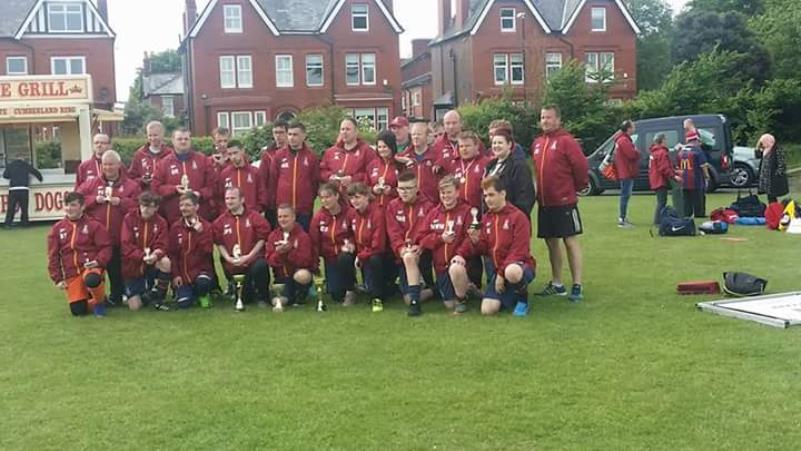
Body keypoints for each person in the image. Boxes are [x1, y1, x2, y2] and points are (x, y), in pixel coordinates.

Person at [531, 105, 588, 302]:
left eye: (548, 117)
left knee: (570, 241)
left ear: (558, 120)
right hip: (545, 203)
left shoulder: (567, 141)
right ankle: (557, 283)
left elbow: (581, 167)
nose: (545, 120)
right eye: (542, 117)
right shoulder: (538, 143)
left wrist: (578, 189)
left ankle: (577, 285)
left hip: (564, 201)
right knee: (551, 242)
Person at [460, 176, 536, 316]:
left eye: (491, 194)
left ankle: (523, 300)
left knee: (512, 271)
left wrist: (501, 274)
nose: (488, 199)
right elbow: (483, 248)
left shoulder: (518, 217)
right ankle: (510, 294)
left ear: (503, 194)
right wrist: (475, 242)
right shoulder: (486, 218)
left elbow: (519, 251)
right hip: (498, 272)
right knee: (488, 310)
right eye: (485, 196)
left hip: (519, 267)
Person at [77, 150, 140, 307]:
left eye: (111, 164)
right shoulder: (91, 184)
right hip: (95, 239)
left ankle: (117, 296)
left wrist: (120, 202)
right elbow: (78, 200)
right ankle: (91, 297)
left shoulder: (131, 186)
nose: (108, 167)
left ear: (119, 165)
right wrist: (94, 200)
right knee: (94, 268)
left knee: (117, 269)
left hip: (119, 235)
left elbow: (138, 207)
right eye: (105, 164)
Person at [47, 192, 112, 317]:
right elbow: (53, 255)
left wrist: (98, 261)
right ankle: (94, 296)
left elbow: (106, 247)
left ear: (82, 207)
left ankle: (99, 302)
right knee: (78, 311)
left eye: (73, 205)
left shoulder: (94, 225)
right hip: (72, 273)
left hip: (90, 268)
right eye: (66, 205)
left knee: (92, 279)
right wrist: (57, 279)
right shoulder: (57, 228)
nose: (68, 208)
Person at [416, 176, 473, 316]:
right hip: (441, 268)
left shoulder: (467, 211)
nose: (445, 196)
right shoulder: (434, 213)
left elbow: (471, 238)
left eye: (449, 192)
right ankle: (467, 290)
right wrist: (440, 238)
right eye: (442, 193)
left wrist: (460, 253)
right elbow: (421, 238)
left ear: (457, 192)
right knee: (449, 305)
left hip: (460, 264)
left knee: (456, 269)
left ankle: (462, 299)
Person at [213, 186, 271, 309]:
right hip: (234, 265)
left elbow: (262, 239)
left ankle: (263, 297)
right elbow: (219, 243)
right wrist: (228, 258)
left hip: (252, 261)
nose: (229, 201)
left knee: (261, 265)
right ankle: (242, 291)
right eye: (227, 198)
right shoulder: (220, 221)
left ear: (242, 200)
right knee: (245, 299)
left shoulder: (254, 217)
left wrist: (249, 257)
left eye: (233, 198)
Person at [386, 171, 436, 308]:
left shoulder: (428, 206)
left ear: (416, 188)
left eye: (408, 188)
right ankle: (434, 290)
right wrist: (401, 249)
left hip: (422, 254)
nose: (404, 192)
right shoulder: (392, 206)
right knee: (407, 299)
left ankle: (430, 289)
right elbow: (393, 233)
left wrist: (421, 246)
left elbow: (430, 231)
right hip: (401, 254)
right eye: (401, 189)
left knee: (412, 257)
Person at [120, 191, 171, 311]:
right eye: (143, 205)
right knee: (135, 307)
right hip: (133, 265)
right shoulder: (129, 219)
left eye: (149, 206)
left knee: (165, 262)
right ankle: (148, 294)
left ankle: (159, 298)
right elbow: (126, 245)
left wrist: (155, 255)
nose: (145, 209)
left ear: (156, 208)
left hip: (152, 261)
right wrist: (142, 256)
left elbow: (162, 244)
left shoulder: (161, 222)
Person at [152, 128, 216, 224]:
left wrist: (199, 194)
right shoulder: (163, 164)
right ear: (173, 141)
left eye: (186, 139)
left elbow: (213, 186)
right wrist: (174, 189)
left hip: (201, 215)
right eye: (179, 139)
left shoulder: (203, 160)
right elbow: (155, 188)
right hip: (174, 218)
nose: (183, 142)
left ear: (190, 141)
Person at [309, 182, 356, 306]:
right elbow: (314, 242)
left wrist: (352, 244)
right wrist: (315, 266)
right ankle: (349, 285)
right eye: (322, 198)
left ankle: (350, 291)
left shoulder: (350, 213)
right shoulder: (318, 218)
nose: (325, 201)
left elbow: (358, 234)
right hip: (330, 259)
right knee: (336, 295)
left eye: (328, 197)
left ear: (336, 196)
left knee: (345, 259)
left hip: (348, 255)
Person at [268, 121, 320, 231]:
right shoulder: (279, 156)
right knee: (284, 240)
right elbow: (273, 181)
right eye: (290, 134)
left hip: (304, 210)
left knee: (302, 240)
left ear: (304, 136)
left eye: (295, 135)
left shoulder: (311, 157)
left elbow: (315, 182)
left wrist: (308, 199)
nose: (292, 138)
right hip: (284, 209)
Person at [346, 183, 389, 312]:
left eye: (357, 197)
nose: (354, 201)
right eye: (352, 198)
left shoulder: (377, 213)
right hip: (363, 253)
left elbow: (378, 246)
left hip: (379, 256)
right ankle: (351, 290)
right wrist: (350, 244)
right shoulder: (353, 214)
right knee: (344, 257)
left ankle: (377, 297)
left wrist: (360, 256)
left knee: (375, 259)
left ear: (366, 196)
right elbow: (350, 234)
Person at [168, 192, 215, 308]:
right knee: (184, 304)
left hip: (201, 272)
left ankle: (203, 294)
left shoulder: (206, 226)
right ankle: (188, 294)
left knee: (202, 283)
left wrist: (200, 234)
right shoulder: (175, 227)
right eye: (182, 205)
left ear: (196, 207)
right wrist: (176, 275)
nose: (184, 208)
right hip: (183, 275)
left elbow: (208, 250)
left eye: (188, 205)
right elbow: (172, 254)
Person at [265, 204, 316, 310]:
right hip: (281, 279)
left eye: (286, 216)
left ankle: (301, 295)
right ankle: (286, 297)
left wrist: (290, 252)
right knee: (278, 302)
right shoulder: (273, 236)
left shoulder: (303, 236)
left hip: (297, 276)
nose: (282, 219)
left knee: (303, 275)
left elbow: (305, 261)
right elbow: (270, 260)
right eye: (280, 217)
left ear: (293, 217)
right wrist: (279, 253)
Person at [485, 129, 535, 218]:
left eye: (500, 143)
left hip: (512, 219)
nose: (496, 146)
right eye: (494, 143)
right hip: (494, 219)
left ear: (509, 144)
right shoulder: (490, 166)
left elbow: (526, 195)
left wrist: (515, 217)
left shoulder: (519, 166)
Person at [320, 118, 375, 193]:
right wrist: (330, 177)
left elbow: (372, 173)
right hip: (335, 199)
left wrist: (353, 179)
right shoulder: (330, 152)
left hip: (356, 198)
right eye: (342, 129)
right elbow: (322, 170)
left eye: (348, 129)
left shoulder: (367, 151)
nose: (344, 132)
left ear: (356, 132)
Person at [396, 121, 441, 202]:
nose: (415, 137)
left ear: (427, 136)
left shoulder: (436, 156)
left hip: (431, 204)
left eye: (419, 134)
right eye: (413, 134)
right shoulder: (404, 157)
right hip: (411, 204)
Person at [216, 140, 263, 215]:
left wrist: (257, 212)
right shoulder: (224, 174)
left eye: (235, 153)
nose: (233, 157)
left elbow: (262, 196)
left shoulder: (255, 172)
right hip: (231, 218)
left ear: (242, 151)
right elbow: (220, 198)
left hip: (251, 217)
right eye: (230, 154)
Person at [259, 120, 289, 227]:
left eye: (281, 132)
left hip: (289, 200)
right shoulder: (267, 154)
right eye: (275, 132)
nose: (278, 136)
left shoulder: (294, 152)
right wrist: (265, 200)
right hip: (272, 202)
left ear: (287, 133)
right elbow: (262, 178)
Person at [128, 121, 173, 190]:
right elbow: (131, 177)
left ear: (162, 134)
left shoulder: (170, 154)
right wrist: (142, 180)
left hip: (165, 197)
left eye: (155, 135)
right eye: (150, 135)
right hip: (146, 196)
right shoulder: (140, 154)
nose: (152, 138)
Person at [648, 134, 681, 225]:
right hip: (660, 180)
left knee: (661, 201)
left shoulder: (654, 152)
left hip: (655, 179)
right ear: (662, 140)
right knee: (662, 201)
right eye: (665, 139)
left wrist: (675, 171)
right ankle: (658, 221)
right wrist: (674, 176)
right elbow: (664, 168)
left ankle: (658, 220)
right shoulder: (662, 152)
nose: (667, 141)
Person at [614, 120, 641, 227]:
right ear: (628, 128)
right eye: (633, 126)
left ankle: (623, 217)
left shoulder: (621, 140)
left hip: (625, 171)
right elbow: (632, 155)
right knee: (625, 196)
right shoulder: (624, 141)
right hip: (626, 172)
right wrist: (637, 152)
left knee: (625, 195)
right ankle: (622, 219)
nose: (634, 128)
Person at [677, 133, 710, 217]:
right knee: (698, 198)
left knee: (686, 199)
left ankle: (687, 213)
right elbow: (703, 165)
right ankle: (699, 214)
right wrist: (706, 175)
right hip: (696, 178)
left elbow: (677, 166)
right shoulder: (697, 150)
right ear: (695, 140)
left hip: (684, 178)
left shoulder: (681, 151)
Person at [3, 156, 42, 228]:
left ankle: (8, 223)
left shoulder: (11, 165)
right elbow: (36, 172)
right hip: (24, 188)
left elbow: (5, 175)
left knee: (11, 207)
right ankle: (24, 223)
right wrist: (40, 179)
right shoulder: (26, 165)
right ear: (23, 159)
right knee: (24, 207)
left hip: (13, 188)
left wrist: (12, 176)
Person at [366, 130, 401, 207]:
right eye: (379, 147)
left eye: (384, 147)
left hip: (394, 208)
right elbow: (365, 187)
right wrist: (373, 190)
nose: (382, 150)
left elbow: (406, 187)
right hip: (375, 208)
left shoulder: (400, 164)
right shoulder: (372, 165)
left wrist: (391, 191)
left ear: (391, 146)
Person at [756, 133, 789, 204]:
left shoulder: (777, 149)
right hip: (766, 178)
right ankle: (772, 209)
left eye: (763, 142)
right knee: (769, 196)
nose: (762, 144)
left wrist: (777, 174)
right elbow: (757, 154)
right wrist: (758, 146)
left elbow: (782, 164)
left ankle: (775, 209)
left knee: (773, 195)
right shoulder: (765, 150)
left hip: (773, 177)